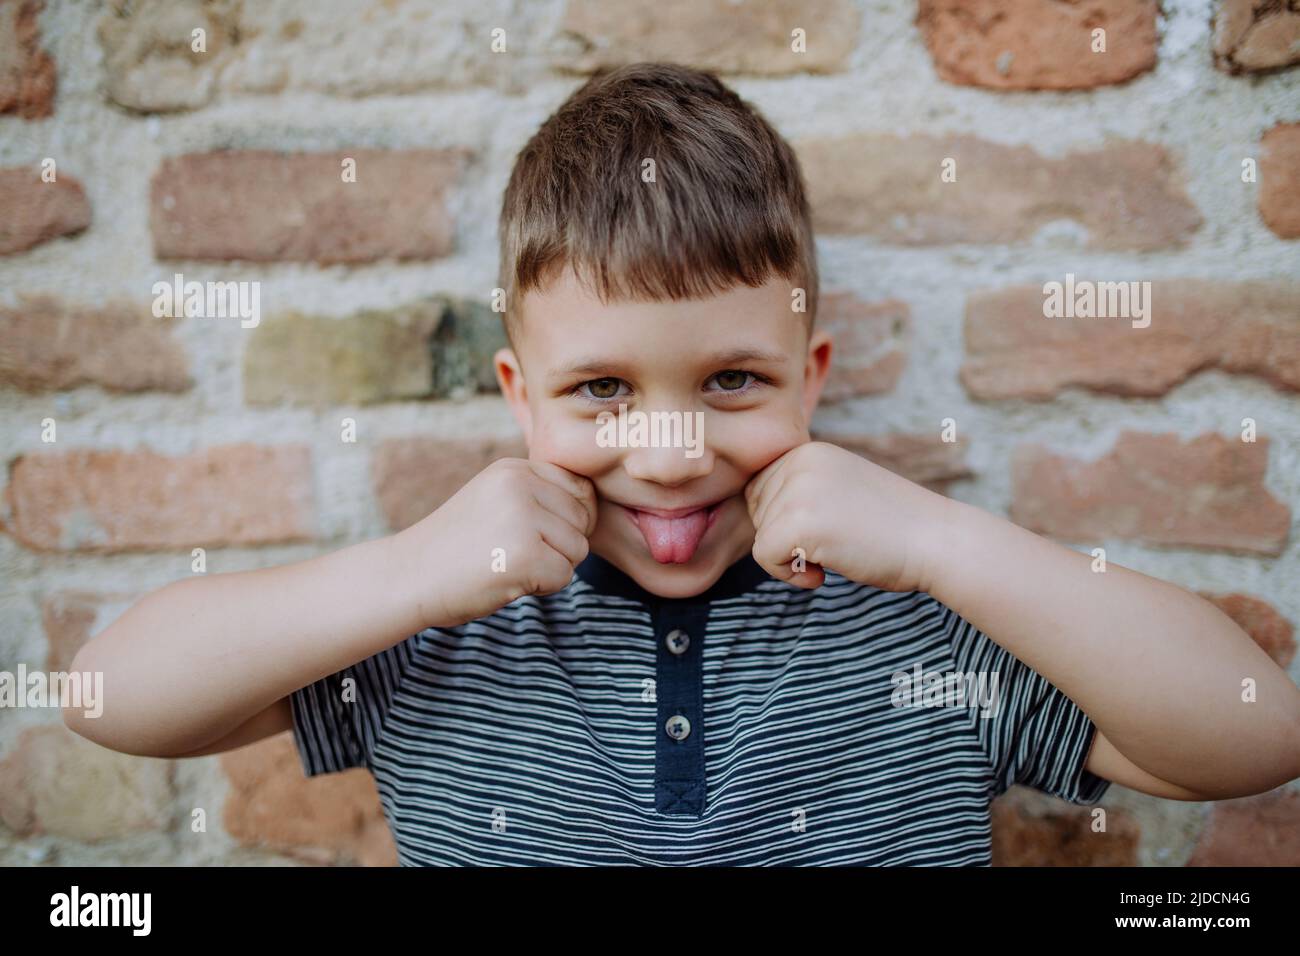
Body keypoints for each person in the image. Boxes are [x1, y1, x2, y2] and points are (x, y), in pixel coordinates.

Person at [66, 62, 1300, 866]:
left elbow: (1252, 736)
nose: (669, 453)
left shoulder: (929, 631)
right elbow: (114, 697)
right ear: (519, 397)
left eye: (732, 381)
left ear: (811, 376)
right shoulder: (438, 629)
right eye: (600, 390)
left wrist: (946, 543)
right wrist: (408, 570)